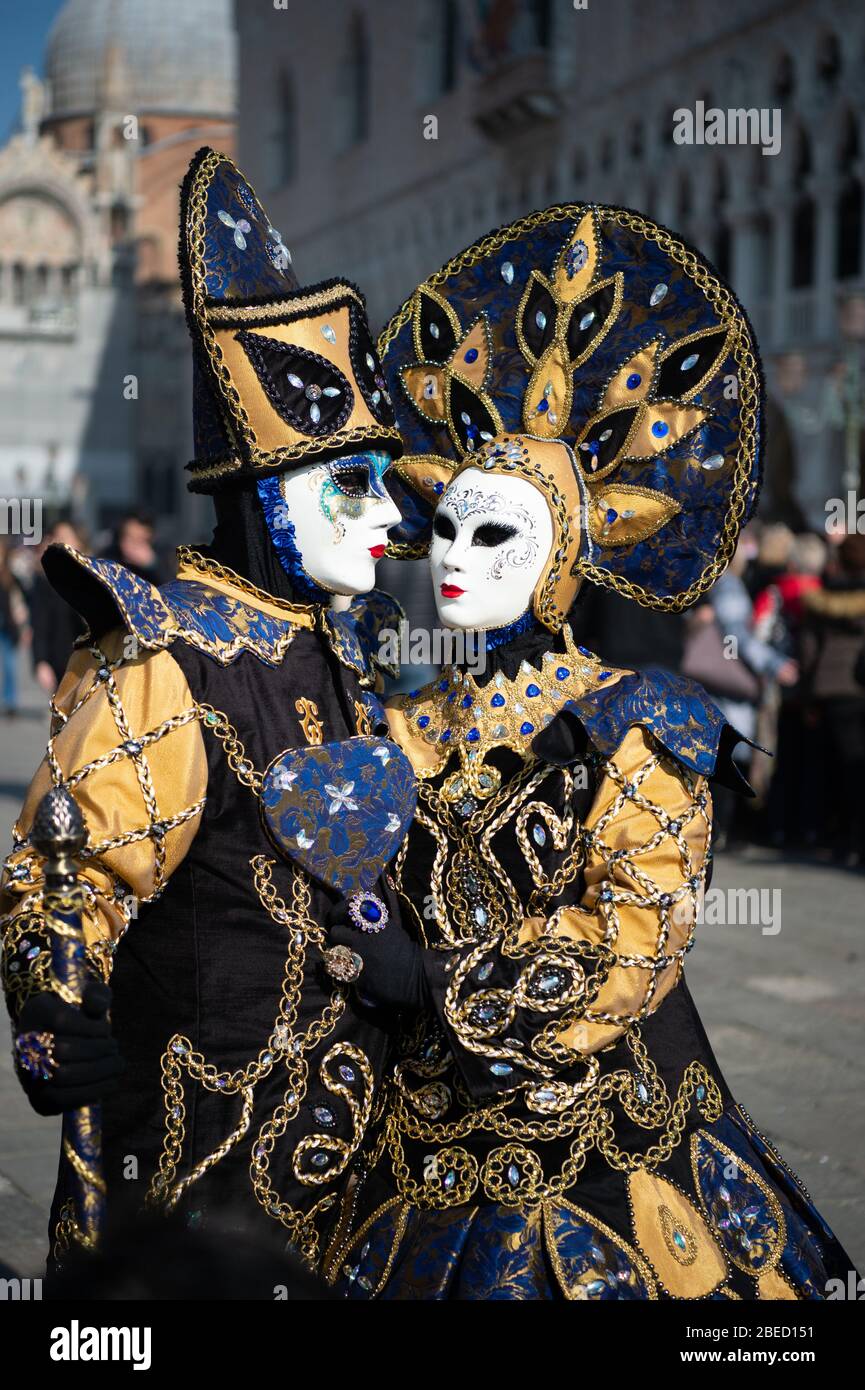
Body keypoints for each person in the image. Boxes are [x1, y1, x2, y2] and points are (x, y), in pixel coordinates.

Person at [321, 203, 855, 1299]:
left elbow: (633, 941)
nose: (458, 559)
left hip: (596, 1155)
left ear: (565, 548)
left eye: (499, 532)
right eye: (451, 528)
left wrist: (437, 981)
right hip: (409, 1150)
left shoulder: (634, 722)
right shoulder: (406, 721)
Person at [0, 147, 406, 1272]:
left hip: (360, 1173)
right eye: (352, 484)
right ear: (265, 492)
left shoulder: (345, 649)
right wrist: (47, 1013)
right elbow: (61, 875)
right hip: (204, 1183)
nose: (387, 517)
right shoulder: (169, 658)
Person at [800, 534, 865, 868]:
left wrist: (808, 692)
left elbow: (809, 648)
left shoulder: (821, 597)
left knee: (835, 768)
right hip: (858, 686)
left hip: (831, 686)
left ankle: (838, 838)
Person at [29, 519, 88, 696]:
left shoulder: (93, 575)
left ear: (79, 541)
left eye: (65, 537)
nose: (60, 542)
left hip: (90, 659)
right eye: (56, 537)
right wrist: (40, 661)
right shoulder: (44, 579)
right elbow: (39, 623)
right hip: (60, 660)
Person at [0, 540, 28, 716]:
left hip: (7, 626)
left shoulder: (10, 576)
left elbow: (24, 598)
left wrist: (23, 623)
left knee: (10, 665)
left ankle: (10, 701)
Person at [100, 512, 161, 585]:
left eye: (141, 540)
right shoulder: (107, 559)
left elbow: (174, 589)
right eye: (130, 538)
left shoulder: (168, 555)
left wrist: (152, 566)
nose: (135, 545)